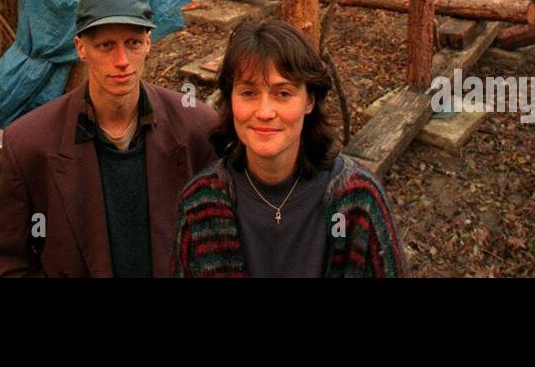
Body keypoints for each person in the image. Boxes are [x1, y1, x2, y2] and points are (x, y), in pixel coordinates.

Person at [0, 0, 218, 277]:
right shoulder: (29, 144)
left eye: (132, 43)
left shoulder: (197, 127)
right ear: (81, 48)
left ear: (148, 43)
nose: (121, 61)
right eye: (106, 45)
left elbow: (222, 241)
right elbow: (6, 261)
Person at [172, 18, 405, 277]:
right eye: (248, 93)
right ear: (230, 100)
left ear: (310, 101)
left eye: (283, 93)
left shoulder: (357, 202)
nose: (264, 112)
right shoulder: (202, 205)